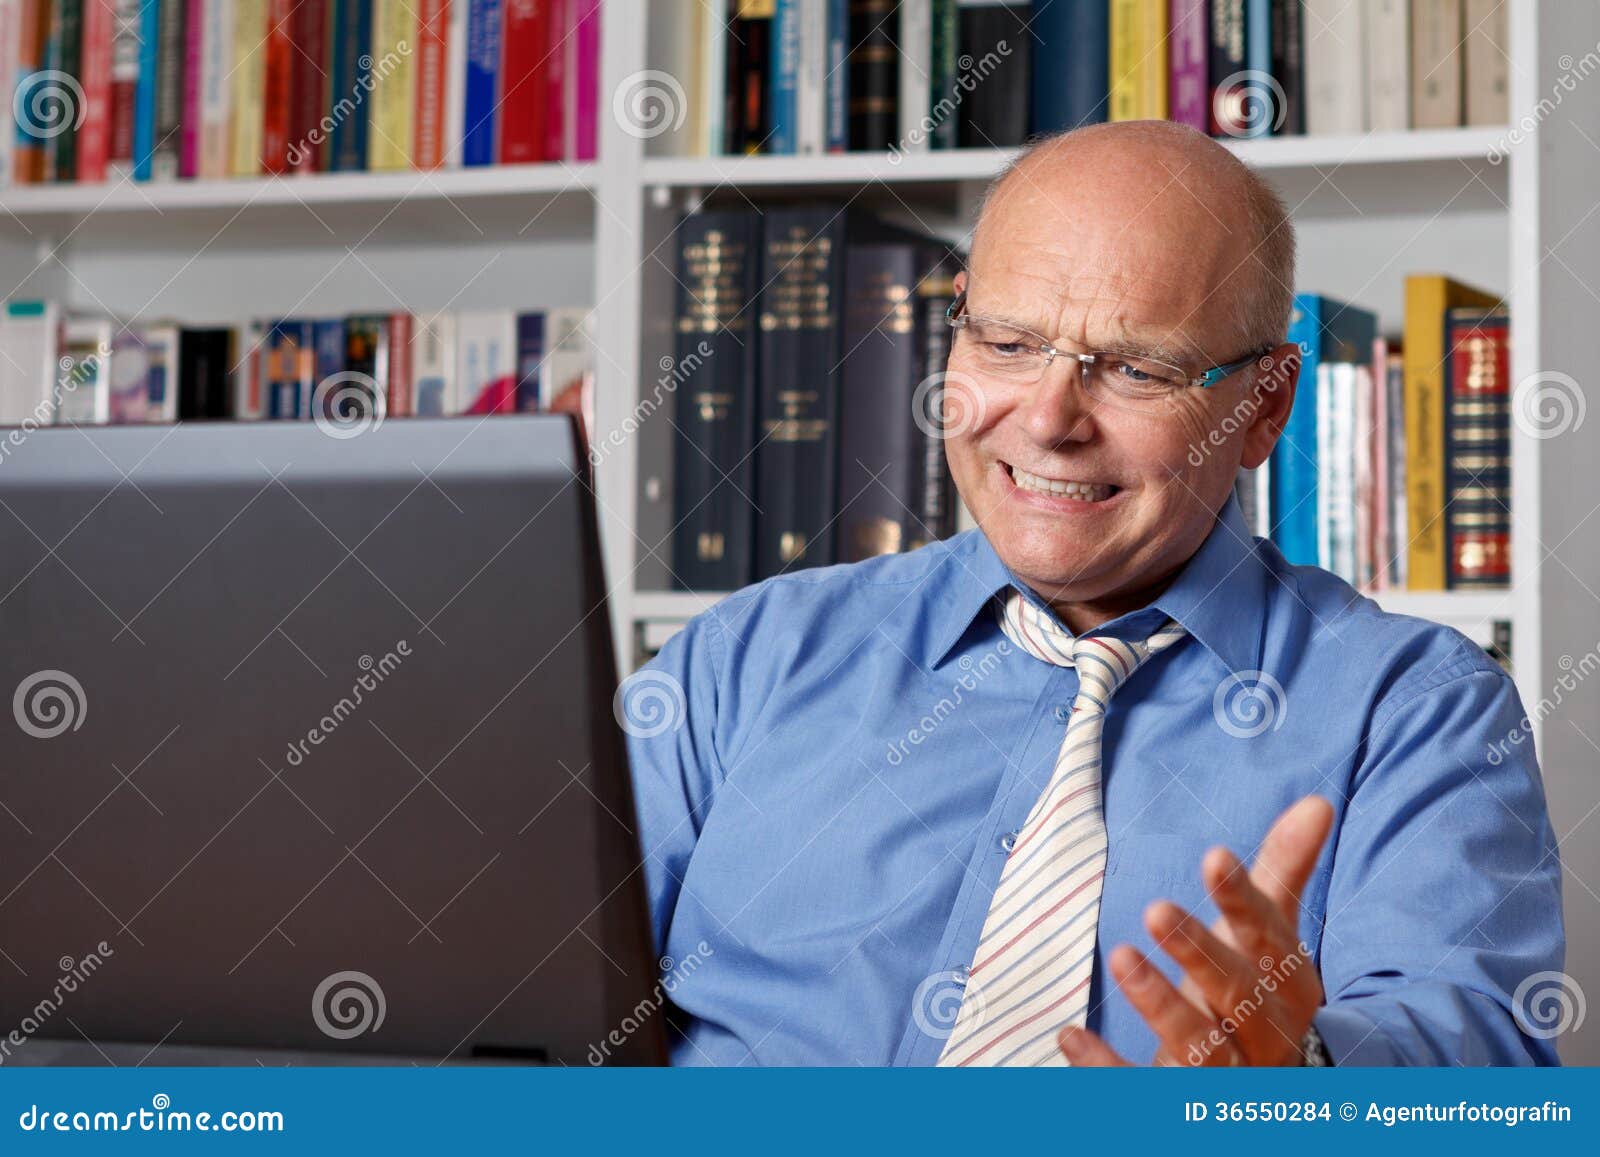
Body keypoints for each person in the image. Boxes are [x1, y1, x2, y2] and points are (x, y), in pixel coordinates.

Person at [624, 121, 1563, 1066]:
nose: (1047, 419)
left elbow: (1478, 1061)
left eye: (1135, 368)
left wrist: (1301, 1082)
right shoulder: (738, 664)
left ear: (1265, 405)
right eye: (1007, 341)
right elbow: (527, 1009)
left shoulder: (1417, 710)